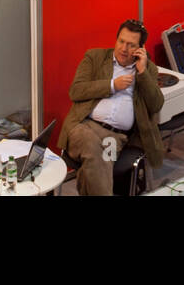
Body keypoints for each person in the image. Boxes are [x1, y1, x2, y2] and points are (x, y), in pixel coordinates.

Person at [57, 19, 165, 195]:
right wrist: (112, 85)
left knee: (100, 161)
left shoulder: (147, 70)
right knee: (93, 149)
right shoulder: (95, 57)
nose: (123, 48)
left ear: (140, 49)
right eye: (121, 41)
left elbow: (156, 104)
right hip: (83, 127)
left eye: (131, 45)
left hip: (114, 138)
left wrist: (143, 73)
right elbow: (75, 91)